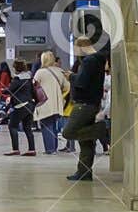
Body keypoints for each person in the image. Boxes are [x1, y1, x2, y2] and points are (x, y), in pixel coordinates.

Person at [62, 35, 111, 181]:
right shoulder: (97, 60)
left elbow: (81, 83)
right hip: (93, 104)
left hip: (83, 104)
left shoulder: (89, 61)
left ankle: (101, 130)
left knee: (68, 132)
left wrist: (71, 76)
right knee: (86, 143)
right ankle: (84, 172)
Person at [33, 50, 68, 154]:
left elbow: (33, 85)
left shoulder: (40, 72)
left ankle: (50, 149)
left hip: (44, 102)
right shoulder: (60, 71)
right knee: (53, 125)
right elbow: (67, 87)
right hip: (57, 103)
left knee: (46, 125)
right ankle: (54, 148)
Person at [3, 58, 38, 155]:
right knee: (27, 127)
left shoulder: (17, 79)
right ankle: (32, 149)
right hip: (30, 105)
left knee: (12, 126)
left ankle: (15, 149)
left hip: (20, 106)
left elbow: (10, 90)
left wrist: (3, 90)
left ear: (16, 68)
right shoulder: (29, 78)